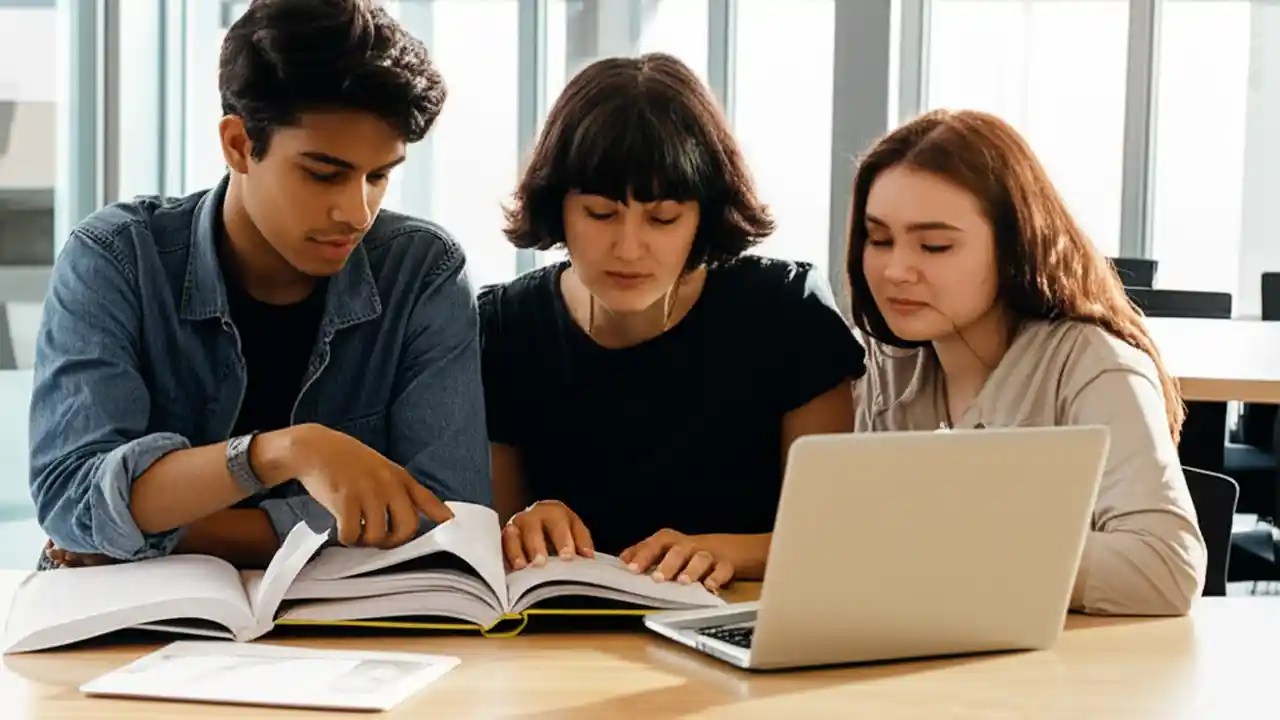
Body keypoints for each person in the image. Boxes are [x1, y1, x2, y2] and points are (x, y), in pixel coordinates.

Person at [30, 0, 490, 570]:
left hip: (361, 636)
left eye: (379, 176)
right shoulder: (117, 258)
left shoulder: (422, 272)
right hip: (136, 631)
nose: (357, 211)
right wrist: (283, 452)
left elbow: (445, 516)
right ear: (239, 145)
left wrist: (172, 527)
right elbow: (73, 497)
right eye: (324, 174)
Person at [481, 53, 866, 593]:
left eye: (662, 218)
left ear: (703, 215)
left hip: (743, 630)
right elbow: (487, 539)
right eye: (599, 214)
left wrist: (726, 549)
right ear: (557, 208)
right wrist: (521, 525)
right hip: (561, 647)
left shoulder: (787, 313)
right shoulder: (503, 328)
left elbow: (837, 535)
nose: (629, 247)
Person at [846, 109, 1207, 615]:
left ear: (1015, 248)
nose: (896, 269)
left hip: (1065, 680)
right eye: (879, 239)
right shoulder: (892, 362)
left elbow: (1166, 568)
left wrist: (954, 549)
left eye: (935, 246)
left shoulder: (1093, 365)